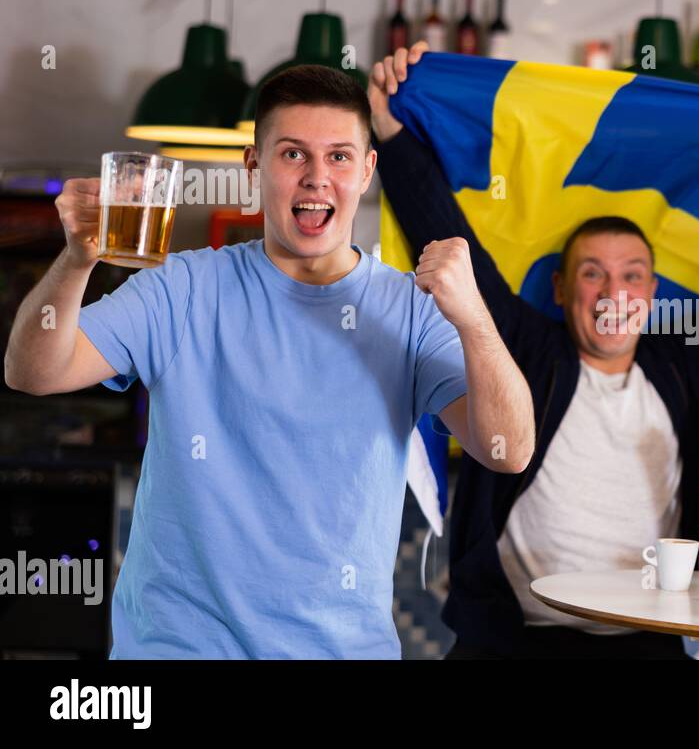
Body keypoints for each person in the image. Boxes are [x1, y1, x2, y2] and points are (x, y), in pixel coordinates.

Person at [369, 43, 699, 658]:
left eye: (631, 276)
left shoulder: (688, 360)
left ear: (653, 292)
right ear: (561, 289)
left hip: (645, 643)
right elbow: (452, 239)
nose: (613, 293)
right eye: (593, 275)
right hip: (516, 642)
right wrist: (389, 130)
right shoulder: (524, 348)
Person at [2, 65, 534, 658]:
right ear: (254, 167)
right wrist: (77, 261)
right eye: (292, 155)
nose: (316, 178)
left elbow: (508, 450)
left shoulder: (410, 310)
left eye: (337, 157)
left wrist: (475, 319)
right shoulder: (183, 288)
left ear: (365, 171)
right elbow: (33, 371)